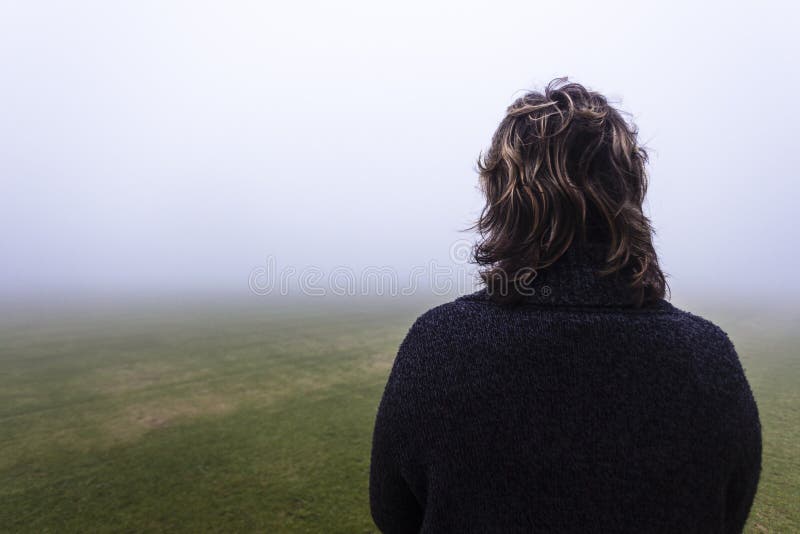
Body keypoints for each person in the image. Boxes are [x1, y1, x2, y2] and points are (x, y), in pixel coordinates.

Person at [368, 77, 762, 533]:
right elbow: (728, 515)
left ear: (502, 198)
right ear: (629, 192)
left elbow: (394, 515)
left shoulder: (437, 347)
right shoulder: (707, 359)